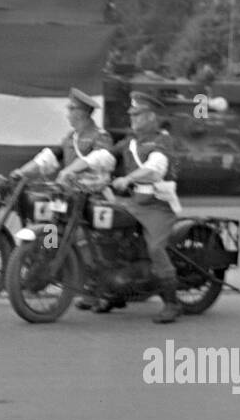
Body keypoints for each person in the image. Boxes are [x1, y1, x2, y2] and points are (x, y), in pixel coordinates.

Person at [60, 91, 183, 323]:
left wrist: (128, 178)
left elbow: (156, 167)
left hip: (158, 205)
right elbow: (103, 156)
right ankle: (111, 292)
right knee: (104, 236)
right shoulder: (129, 142)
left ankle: (172, 303)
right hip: (133, 203)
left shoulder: (162, 141)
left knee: (156, 248)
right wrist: (75, 169)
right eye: (132, 114)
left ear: (151, 116)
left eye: (137, 114)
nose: (132, 118)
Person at [9, 88, 111, 181]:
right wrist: (22, 172)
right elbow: (48, 158)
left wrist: (68, 171)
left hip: (93, 193)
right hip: (71, 191)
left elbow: (98, 158)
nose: (67, 115)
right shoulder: (71, 137)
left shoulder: (101, 136)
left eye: (71, 109)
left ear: (81, 113)